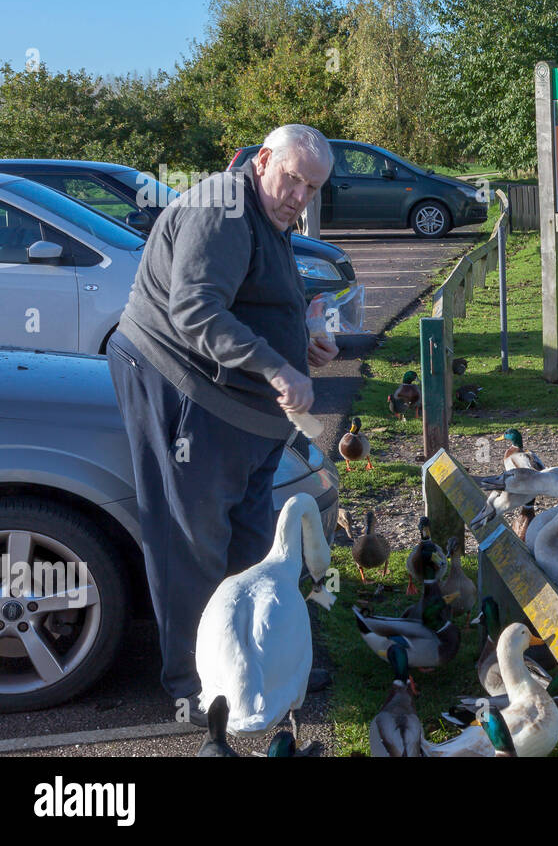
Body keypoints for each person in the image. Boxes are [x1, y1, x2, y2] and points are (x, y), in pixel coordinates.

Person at [106, 124, 337, 721]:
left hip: (242, 410)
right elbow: (196, 309)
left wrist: (301, 341)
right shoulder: (222, 207)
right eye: (293, 179)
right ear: (264, 161)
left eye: (312, 189)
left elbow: (253, 298)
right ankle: (195, 687)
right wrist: (277, 368)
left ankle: (255, 665)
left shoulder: (267, 214)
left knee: (250, 540)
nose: (299, 197)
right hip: (190, 395)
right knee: (191, 543)